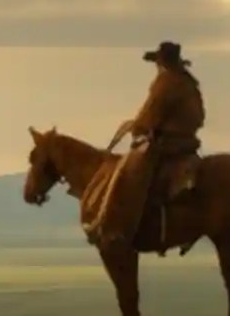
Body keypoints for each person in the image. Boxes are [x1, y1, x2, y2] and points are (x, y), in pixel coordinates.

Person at [85, 41, 206, 248]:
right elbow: (199, 117)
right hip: (187, 142)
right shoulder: (188, 83)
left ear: (161, 63)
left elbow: (150, 112)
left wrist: (138, 128)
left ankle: (112, 225)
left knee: (125, 169)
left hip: (168, 143)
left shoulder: (166, 82)